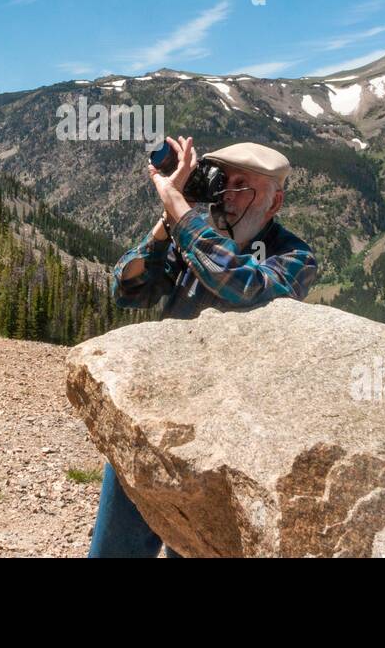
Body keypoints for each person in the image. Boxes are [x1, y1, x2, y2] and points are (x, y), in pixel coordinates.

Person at [87, 137, 318, 557]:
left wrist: (181, 209)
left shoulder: (295, 256)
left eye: (243, 185)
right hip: (152, 420)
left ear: (276, 201)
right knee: (114, 551)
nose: (227, 196)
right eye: (221, 181)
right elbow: (128, 288)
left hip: (222, 448)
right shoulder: (194, 234)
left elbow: (240, 282)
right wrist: (168, 217)